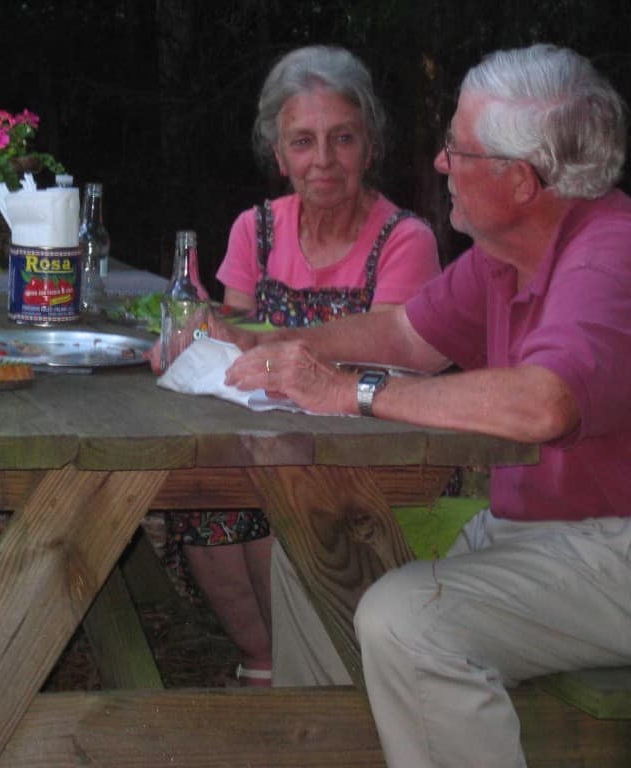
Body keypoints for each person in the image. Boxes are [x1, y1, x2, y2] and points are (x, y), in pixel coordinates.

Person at [222, 44, 630, 767]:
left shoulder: (609, 255)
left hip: (612, 548)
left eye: (458, 150)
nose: (441, 164)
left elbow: (545, 404)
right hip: (530, 535)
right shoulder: (508, 252)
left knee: (410, 621)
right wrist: (272, 339)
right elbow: (406, 333)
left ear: (522, 180)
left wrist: (353, 391)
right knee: (311, 545)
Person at [162, 45, 441, 685]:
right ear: (279, 153)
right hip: (269, 440)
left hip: (380, 448)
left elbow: (395, 349)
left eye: (342, 138)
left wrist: (263, 335)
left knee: (277, 506)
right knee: (204, 510)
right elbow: (235, 343)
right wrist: (216, 335)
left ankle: (304, 676)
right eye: (304, 141)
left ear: (369, 146)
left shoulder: (406, 240)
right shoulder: (253, 230)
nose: (323, 160)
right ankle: (265, 664)